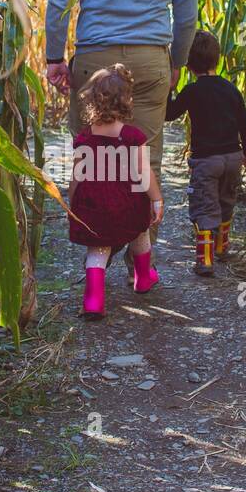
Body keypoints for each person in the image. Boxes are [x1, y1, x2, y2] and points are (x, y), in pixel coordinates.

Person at [45, 0, 198, 270]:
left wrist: (55, 56)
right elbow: (187, 16)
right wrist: (175, 64)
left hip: (94, 61)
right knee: (143, 157)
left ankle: (98, 253)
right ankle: (140, 253)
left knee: (94, 156)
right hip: (151, 60)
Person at [67, 65, 165, 320]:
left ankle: (93, 300)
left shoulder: (84, 138)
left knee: (97, 250)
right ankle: (143, 278)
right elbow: (144, 173)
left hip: (94, 206)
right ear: (127, 101)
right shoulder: (133, 136)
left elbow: (77, 175)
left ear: (91, 101)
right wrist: (156, 200)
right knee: (140, 235)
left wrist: (71, 200)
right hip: (128, 204)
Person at [165, 31, 246, 276]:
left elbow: (169, 114)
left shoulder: (192, 91)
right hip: (232, 158)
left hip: (207, 161)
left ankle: (204, 260)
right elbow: (244, 124)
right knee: (226, 201)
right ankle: (222, 247)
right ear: (216, 60)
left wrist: (169, 89)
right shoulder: (230, 89)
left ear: (188, 63)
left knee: (205, 206)